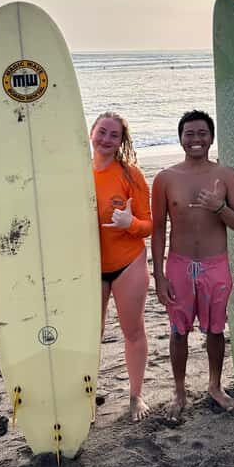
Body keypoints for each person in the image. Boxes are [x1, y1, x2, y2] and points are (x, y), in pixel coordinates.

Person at [151, 110, 234, 420]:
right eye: (189, 134)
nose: (196, 139)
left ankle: (215, 386)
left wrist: (218, 207)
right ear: (180, 138)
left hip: (215, 264)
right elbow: (157, 229)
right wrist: (158, 275)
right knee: (179, 331)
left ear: (211, 137)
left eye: (202, 133)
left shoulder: (228, 176)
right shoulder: (165, 178)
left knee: (216, 330)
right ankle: (180, 391)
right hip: (179, 265)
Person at [91, 111, 152, 422]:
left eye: (114, 135)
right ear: (91, 132)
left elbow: (149, 225)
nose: (106, 139)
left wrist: (130, 223)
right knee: (89, 335)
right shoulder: (72, 172)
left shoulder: (131, 176)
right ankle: (85, 399)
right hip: (88, 267)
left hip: (128, 263)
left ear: (121, 141)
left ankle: (135, 395)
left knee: (132, 330)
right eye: (102, 131)